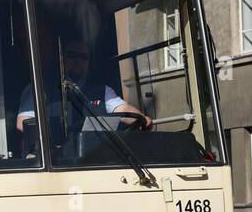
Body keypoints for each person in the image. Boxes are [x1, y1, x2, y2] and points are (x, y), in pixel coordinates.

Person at [15, 39, 151, 139]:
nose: (78, 61)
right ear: (61, 58)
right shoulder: (40, 88)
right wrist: (50, 142)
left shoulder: (102, 90)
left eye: (84, 57)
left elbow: (122, 109)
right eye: (73, 55)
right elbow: (24, 122)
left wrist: (141, 119)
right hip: (55, 160)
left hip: (95, 157)